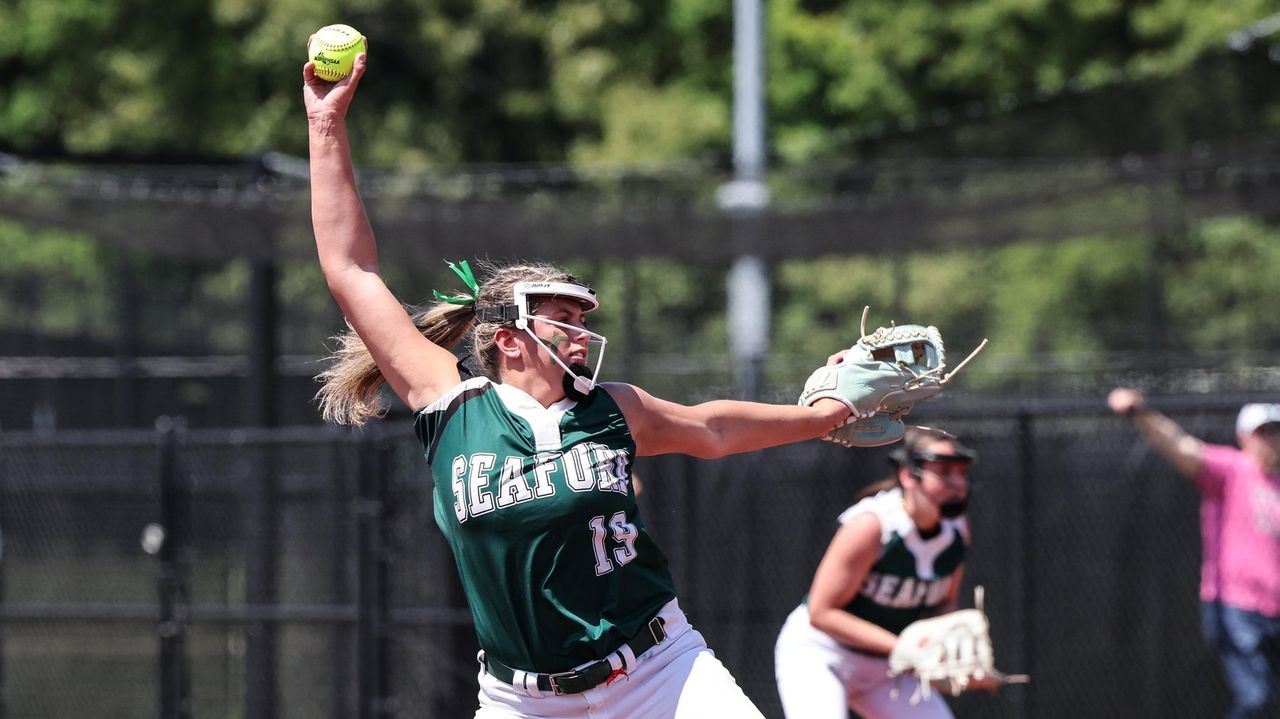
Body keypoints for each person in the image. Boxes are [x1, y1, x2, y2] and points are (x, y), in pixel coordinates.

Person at [304, 46, 863, 719]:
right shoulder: (453, 406)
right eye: (562, 319)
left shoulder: (613, 408)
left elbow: (711, 428)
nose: (580, 332)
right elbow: (350, 270)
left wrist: (825, 414)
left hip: (658, 669)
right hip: (522, 700)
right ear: (508, 337)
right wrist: (326, 126)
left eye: (582, 319)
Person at [774, 426, 976, 719]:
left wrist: (947, 644)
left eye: (961, 472)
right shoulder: (873, 524)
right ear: (908, 475)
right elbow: (821, 612)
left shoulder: (956, 530)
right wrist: (907, 648)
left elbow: (944, 602)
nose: (957, 482)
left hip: (887, 666)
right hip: (822, 653)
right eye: (944, 472)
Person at [1108, 388, 1280, 719]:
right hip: (1238, 607)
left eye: (1276, 431)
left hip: (1275, 611)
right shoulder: (1231, 470)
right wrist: (1141, 413)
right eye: (1263, 432)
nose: (1271, 439)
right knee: (1256, 698)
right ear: (1244, 437)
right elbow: (1180, 445)